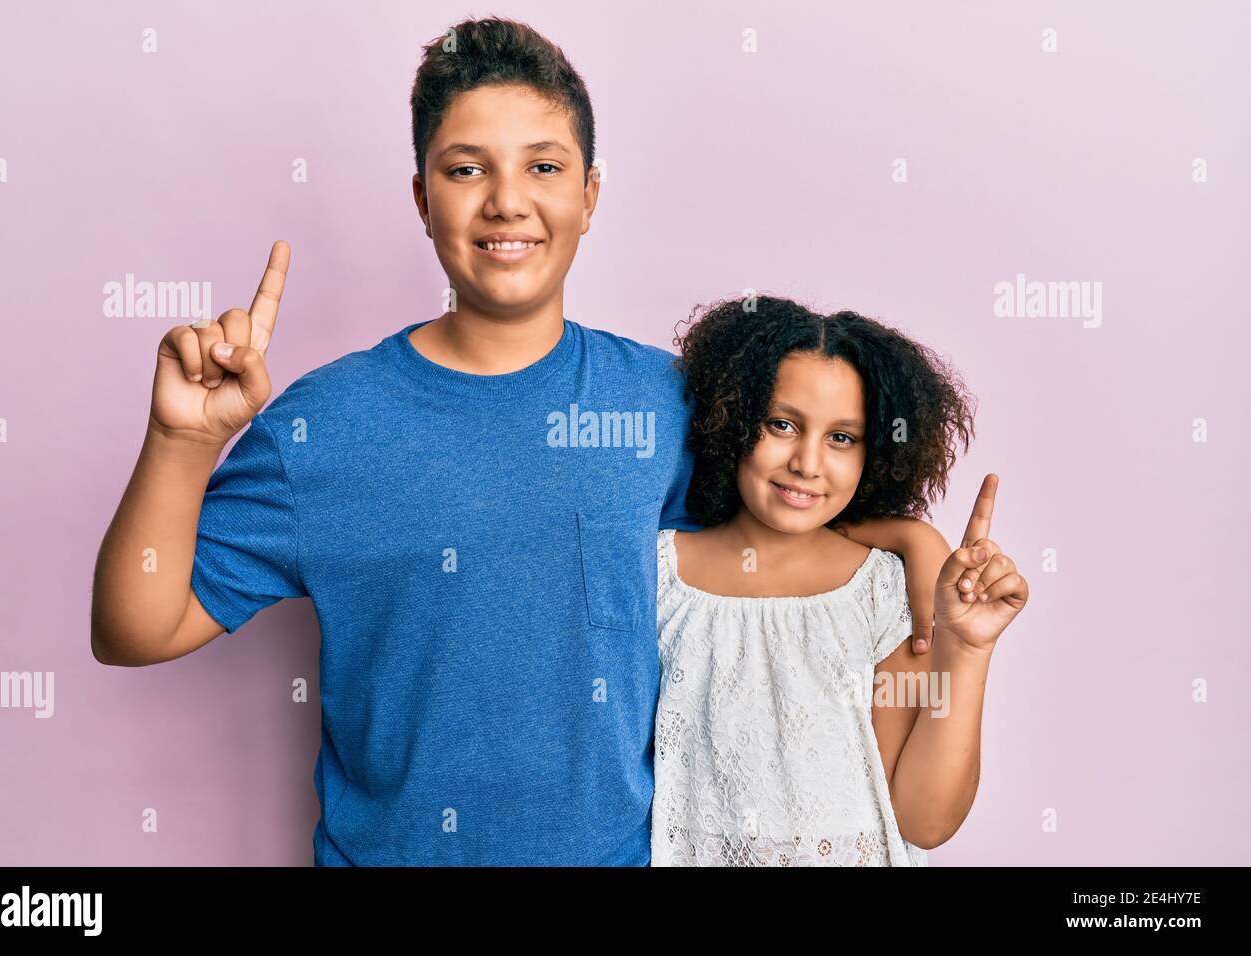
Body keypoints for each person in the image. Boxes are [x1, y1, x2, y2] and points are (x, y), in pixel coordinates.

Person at [90, 18, 950, 866]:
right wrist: (179, 438)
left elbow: (779, 531)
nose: (508, 200)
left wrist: (914, 541)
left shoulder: (667, 403)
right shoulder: (323, 426)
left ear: (589, 195)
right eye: (467, 170)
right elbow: (136, 629)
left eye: (543, 165)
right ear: (423, 198)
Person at [652, 296, 1029, 865]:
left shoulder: (881, 591)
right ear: (730, 419)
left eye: (841, 438)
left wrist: (967, 648)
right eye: (781, 424)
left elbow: (923, 821)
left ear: (873, 454)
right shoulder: (658, 577)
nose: (807, 462)